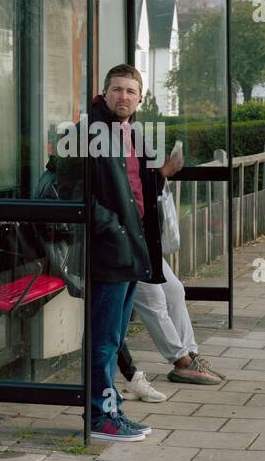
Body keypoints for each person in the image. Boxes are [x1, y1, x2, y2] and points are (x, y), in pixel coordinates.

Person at [57, 64, 181, 441]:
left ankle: (112, 410)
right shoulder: (84, 134)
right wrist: (110, 227)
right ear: (104, 93)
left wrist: (162, 175)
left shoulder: (132, 133)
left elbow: (134, 190)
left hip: (132, 248)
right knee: (104, 339)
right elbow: (69, 189)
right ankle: (98, 418)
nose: (123, 96)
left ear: (140, 97)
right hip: (108, 250)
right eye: (117, 89)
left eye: (130, 90)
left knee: (114, 337)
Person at [116, 259, 226, 398]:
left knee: (174, 290)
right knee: (153, 297)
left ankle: (191, 354)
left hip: (147, 245)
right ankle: (181, 359)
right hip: (128, 247)